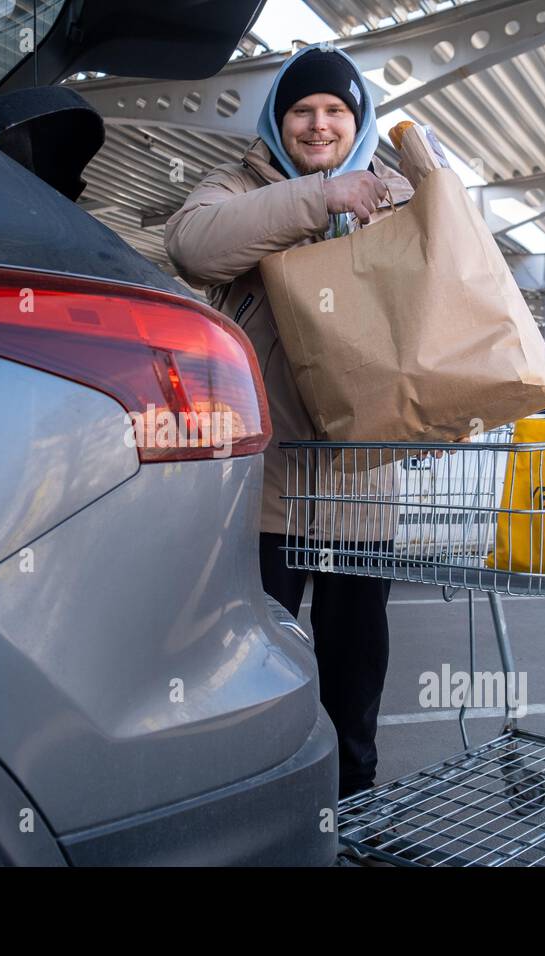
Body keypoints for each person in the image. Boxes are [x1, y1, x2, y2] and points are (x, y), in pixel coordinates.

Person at [164, 43, 414, 798]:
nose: (318, 124)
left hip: (360, 488)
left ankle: (352, 806)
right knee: (255, 666)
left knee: (354, 673)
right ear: (279, 118)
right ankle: (259, 807)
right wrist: (326, 196)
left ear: (357, 118)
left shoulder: (395, 193)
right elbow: (192, 248)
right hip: (266, 487)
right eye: (302, 110)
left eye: (336, 110)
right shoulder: (235, 186)